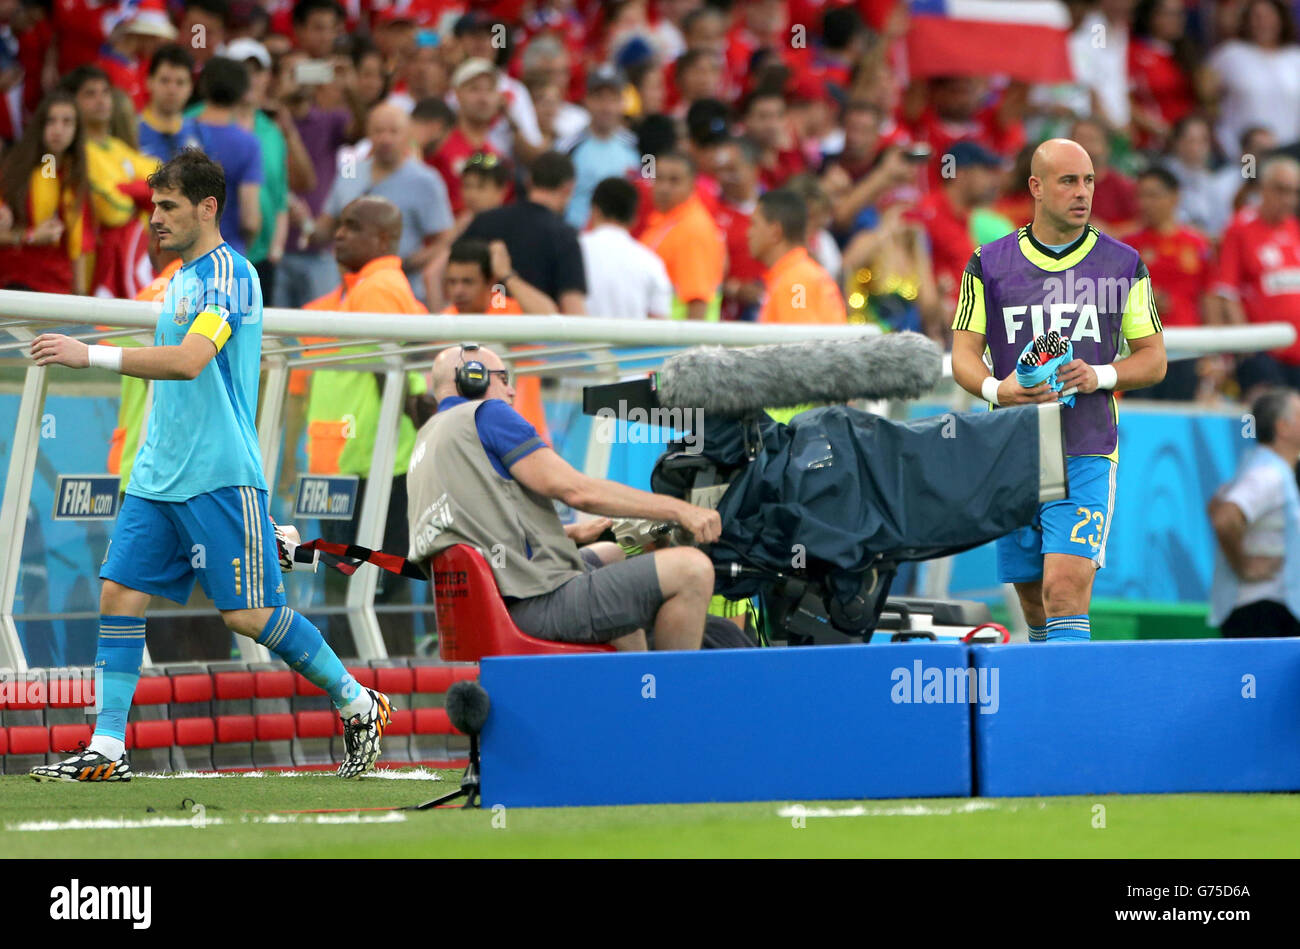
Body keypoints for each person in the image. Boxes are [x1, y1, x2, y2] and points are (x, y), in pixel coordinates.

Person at [27, 148, 391, 782]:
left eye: (168, 207)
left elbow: (193, 360)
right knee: (118, 593)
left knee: (246, 616)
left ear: (208, 207)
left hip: (219, 474)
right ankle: (108, 749)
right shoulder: (180, 282)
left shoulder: (231, 276)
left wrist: (89, 355)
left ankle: (358, 703)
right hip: (157, 476)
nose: (155, 220)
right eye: (152, 208)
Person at [950, 137, 1167, 643]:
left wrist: (1101, 375)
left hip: (1085, 447)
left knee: (1064, 590)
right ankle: (1045, 707)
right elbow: (962, 353)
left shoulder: (1123, 264)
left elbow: (1153, 358)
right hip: (1014, 448)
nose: (1082, 192)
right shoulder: (988, 263)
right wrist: (996, 389)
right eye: (1069, 180)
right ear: (1036, 187)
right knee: (1033, 599)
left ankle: (1072, 715)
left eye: (1089, 180)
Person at [406, 344, 723, 651]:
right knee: (692, 569)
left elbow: (474, 533)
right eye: (504, 378)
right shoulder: (488, 414)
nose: (512, 391)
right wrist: (681, 511)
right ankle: (669, 699)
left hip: (492, 604)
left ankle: (636, 686)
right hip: (533, 603)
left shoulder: (428, 437)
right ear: (473, 378)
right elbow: (576, 491)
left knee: (612, 551)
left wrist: (567, 534)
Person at [292, 196, 430, 655]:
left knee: (368, 589)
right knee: (367, 587)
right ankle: (378, 689)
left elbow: (398, 375)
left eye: (354, 227)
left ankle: (377, 690)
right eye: (341, 224)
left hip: (373, 468)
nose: (340, 233)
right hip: (351, 466)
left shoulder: (376, 287)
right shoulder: (365, 289)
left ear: (386, 238)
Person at [317, 102, 453, 304]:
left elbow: (445, 239)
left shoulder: (425, 180)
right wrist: (305, 226)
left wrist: (410, 262)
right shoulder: (351, 171)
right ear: (368, 134)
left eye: (394, 131)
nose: (385, 138)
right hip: (349, 289)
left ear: (408, 135)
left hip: (403, 289)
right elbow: (326, 226)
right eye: (378, 131)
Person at [61, 64, 160, 299]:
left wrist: (126, 190)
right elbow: (115, 211)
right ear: (73, 101)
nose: (101, 100)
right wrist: (139, 194)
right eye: (90, 93)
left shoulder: (117, 148)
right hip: (90, 268)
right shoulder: (77, 154)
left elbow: (165, 182)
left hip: (130, 260)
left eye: (105, 92)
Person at [1209, 387, 1300, 638]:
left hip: (1264, 609)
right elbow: (1224, 517)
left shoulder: (1261, 465)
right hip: (1261, 612)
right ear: (1283, 427)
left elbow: (1214, 504)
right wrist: (1244, 566)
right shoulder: (1268, 474)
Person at [1210, 156, 1300, 397]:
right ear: (1263, 189)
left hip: (1297, 354)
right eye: (1281, 190)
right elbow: (1227, 292)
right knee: (1272, 420)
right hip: (1264, 353)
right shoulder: (1240, 228)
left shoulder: (1294, 228)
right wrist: (1246, 347)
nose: (1289, 199)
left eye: (1294, 192)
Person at [1125, 166, 1213, 400]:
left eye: (1153, 195)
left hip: (1187, 349)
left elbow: (1209, 299)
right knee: (1141, 417)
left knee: (1181, 416)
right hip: (1140, 348)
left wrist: (1213, 353)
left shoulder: (1197, 245)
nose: (1145, 203)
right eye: (1141, 195)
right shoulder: (1126, 247)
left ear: (1175, 197)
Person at [463, 150, 587, 314]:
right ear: (568, 188)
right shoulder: (564, 235)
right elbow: (573, 308)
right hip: (537, 335)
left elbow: (439, 275)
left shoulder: (483, 221)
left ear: (529, 181)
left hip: (481, 332)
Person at [0, 90, 93, 294]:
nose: (58, 130)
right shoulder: (12, 170)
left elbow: (78, 246)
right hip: (14, 283)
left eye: (67, 122)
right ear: (40, 126)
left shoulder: (75, 176)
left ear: (77, 130)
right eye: (51, 121)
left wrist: (81, 298)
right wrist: (30, 236)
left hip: (58, 287)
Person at [639, 150, 724, 320]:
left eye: (674, 181)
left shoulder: (693, 230)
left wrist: (688, 346)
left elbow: (698, 301)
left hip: (672, 342)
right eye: (659, 179)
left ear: (692, 185)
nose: (664, 188)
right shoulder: (665, 222)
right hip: (659, 338)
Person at [192, 57, 264, 256]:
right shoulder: (248, 144)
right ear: (242, 92)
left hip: (180, 256)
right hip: (226, 254)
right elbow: (250, 219)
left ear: (202, 86)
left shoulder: (181, 131)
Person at [749, 188, 846, 325]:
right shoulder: (796, 274)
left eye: (754, 224)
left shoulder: (796, 281)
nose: (748, 233)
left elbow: (799, 343)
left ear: (775, 232)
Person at [579, 177, 672, 320]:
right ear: (634, 218)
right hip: (633, 341)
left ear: (594, 211)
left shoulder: (572, 250)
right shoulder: (651, 262)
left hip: (576, 341)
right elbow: (660, 321)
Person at [560, 65, 640, 230]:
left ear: (623, 102)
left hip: (620, 238)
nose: (606, 107)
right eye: (599, 98)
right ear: (587, 100)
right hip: (577, 236)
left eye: (613, 98)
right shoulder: (567, 147)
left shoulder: (635, 147)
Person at [138, 44, 204, 162]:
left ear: (191, 88)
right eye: (164, 81)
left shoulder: (199, 132)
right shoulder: (131, 131)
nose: (172, 90)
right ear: (149, 82)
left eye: (180, 82)